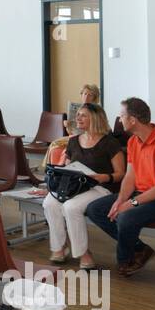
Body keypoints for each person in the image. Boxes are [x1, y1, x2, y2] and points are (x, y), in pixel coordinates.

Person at [84, 98, 155, 277]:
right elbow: (130, 176)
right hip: (143, 194)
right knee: (95, 209)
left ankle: (125, 261)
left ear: (133, 120)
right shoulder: (133, 142)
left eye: (121, 115)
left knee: (125, 217)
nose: (119, 119)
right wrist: (121, 199)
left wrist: (131, 203)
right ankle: (140, 248)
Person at [44, 102, 123, 269]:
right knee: (49, 203)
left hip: (100, 188)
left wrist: (104, 177)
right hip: (76, 186)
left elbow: (120, 174)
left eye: (83, 115)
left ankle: (84, 253)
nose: (77, 118)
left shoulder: (110, 143)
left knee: (71, 207)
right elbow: (65, 167)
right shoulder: (73, 141)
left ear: (95, 118)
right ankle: (59, 247)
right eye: (78, 114)